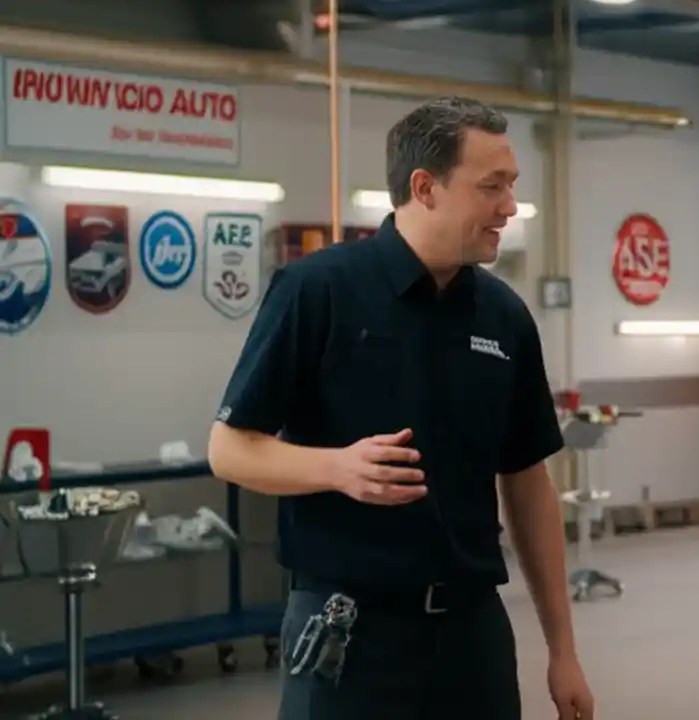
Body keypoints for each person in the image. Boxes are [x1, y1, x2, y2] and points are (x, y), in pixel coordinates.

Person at [207, 96, 594, 720]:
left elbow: (526, 482)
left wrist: (563, 650)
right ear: (426, 188)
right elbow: (228, 449)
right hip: (349, 636)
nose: (508, 207)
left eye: (512, 186)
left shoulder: (504, 317)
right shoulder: (318, 291)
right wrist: (337, 469)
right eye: (490, 187)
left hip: (473, 640)